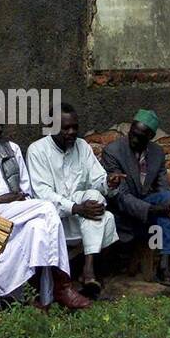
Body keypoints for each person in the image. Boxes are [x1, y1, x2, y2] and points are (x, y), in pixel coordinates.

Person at [0, 99, 88, 309]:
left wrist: (17, 200)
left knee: (39, 226)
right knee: (48, 208)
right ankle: (62, 286)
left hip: (20, 212)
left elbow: (27, 192)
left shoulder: (11, 149)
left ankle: (38, 299)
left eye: (0, 121)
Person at [26, 103, 120, 297]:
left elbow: (97, 179)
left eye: (75, 127)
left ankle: (88, 270)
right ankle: (89, 274)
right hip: (54, 220)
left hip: (83, 220)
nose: (72, 132)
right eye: (66, 128)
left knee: (99, 204)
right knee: (106, 219)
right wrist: (76, 208)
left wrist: (109, 182)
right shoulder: (37, 151)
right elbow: (42, 194)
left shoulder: (82, 146)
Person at [100, 109, 170, 291]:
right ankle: (169, 266)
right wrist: (157, 209)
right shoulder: (113, 152)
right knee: (168, 210)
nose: (134, 140)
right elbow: (121, 197)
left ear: (151, 136)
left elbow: (163, 188)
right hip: (123, 214)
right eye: (133, 134)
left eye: (140, 137)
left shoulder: (157, 153)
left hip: (148, 207)